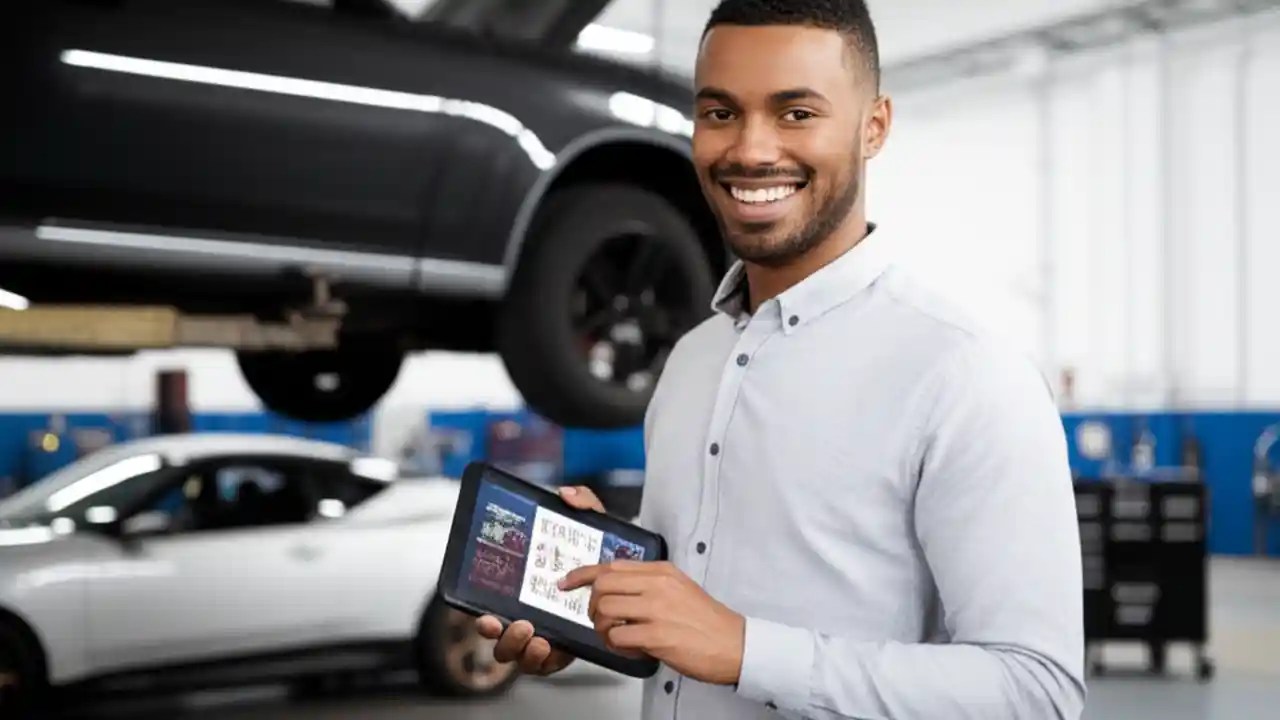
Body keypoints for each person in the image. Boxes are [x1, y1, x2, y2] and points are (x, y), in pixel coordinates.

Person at [476, 0, 1087, 717]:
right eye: (720, 113)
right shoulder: (693, 360)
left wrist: (743, 650)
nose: (751, 150)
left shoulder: (966, 374)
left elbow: (1035, 691)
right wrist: (599, 601)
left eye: (796, 113)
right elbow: (690, 613)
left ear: (874, 127)